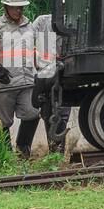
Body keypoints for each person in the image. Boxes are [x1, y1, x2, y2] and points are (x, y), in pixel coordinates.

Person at [0, 0, 41, 157]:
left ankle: (23, 150)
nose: (19, 10)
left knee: (32, 114)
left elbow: (33, 50)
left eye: (21, 6)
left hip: (27, 81)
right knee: (2, 123)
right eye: (15, 7)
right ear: (5, 7)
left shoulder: (29, 26)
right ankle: (5, 155)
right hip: (3, 83)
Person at [30, 13, 72, 152]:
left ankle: (58, 152)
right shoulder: (42, 21)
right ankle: (54, 150)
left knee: (62, 114)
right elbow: (28, 39)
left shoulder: (76, 21)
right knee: (48, 113)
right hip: (45, 74)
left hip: (65, 74)